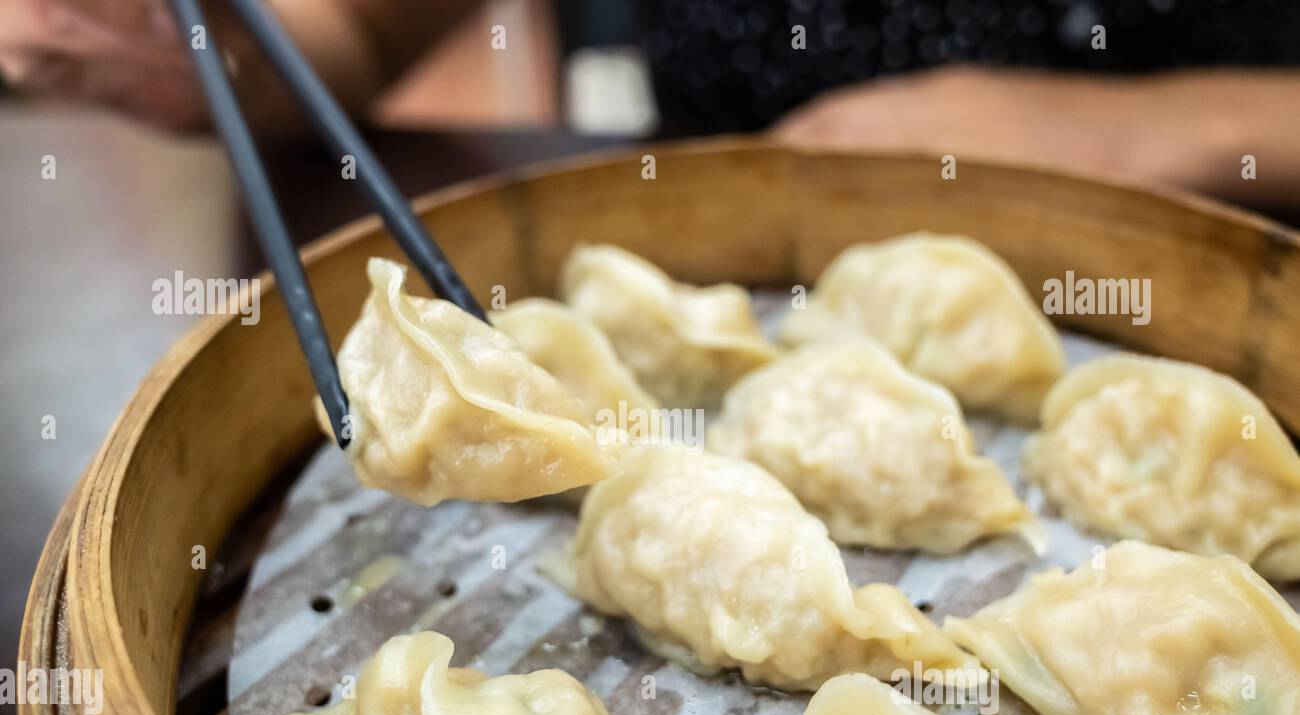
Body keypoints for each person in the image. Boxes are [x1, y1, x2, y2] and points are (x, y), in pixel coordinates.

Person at [4, 0, 1300, 206]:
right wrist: (186, 47)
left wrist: (1176, 123)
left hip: (1223, 237)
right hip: (701, 248)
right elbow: (358, 21)